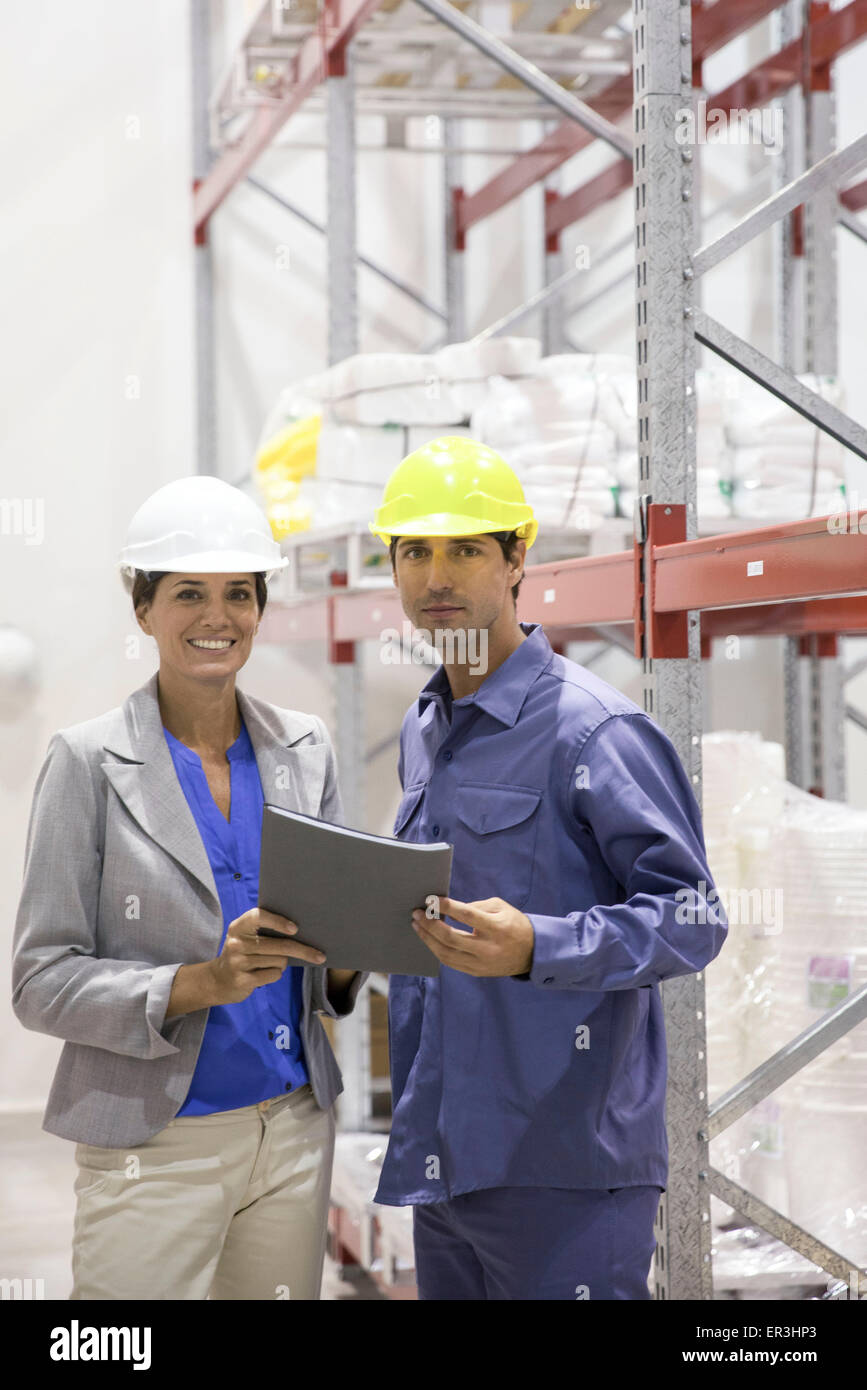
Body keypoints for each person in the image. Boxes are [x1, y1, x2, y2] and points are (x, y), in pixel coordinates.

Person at [367, 435, 728, 1301]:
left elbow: (693, 917)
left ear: (517, 557)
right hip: (444, 1155)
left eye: (465, 549)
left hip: (565, 1165)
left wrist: (539, 944)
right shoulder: (425, 729)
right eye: (414, 550)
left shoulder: (593, 730)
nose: (435, 577)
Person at [12, 474, 363, 1301]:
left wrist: (357, 951)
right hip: (152, 1140)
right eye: (189, 594)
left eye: (239, 594)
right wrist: (201, 982)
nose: (218, 617)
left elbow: (329, 961)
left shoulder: (304, 748)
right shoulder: (88, 762)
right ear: (144, 610)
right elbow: (40, 983)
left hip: (293, 1130)